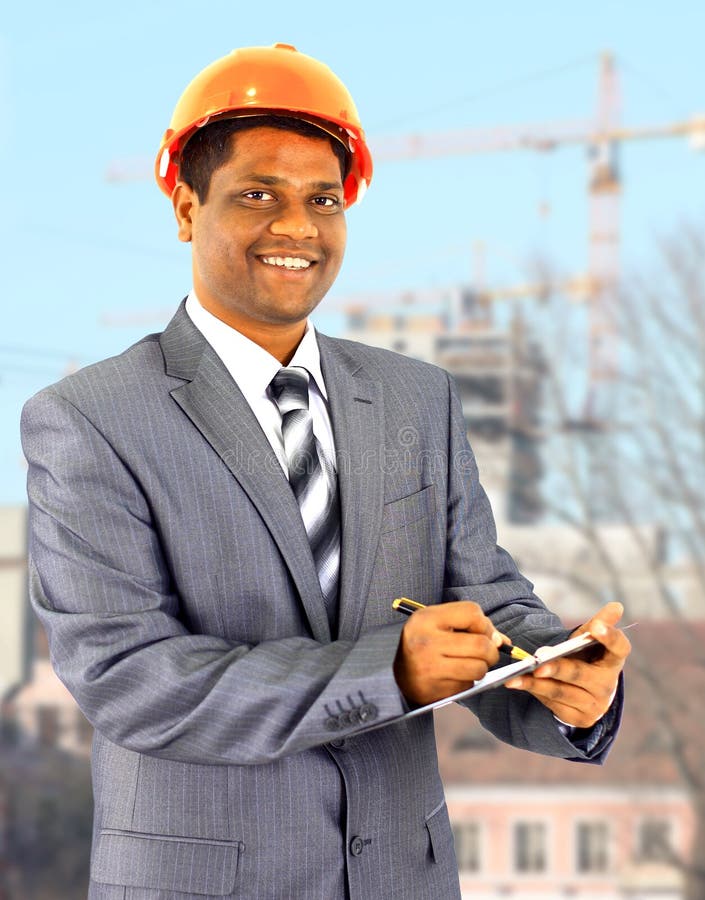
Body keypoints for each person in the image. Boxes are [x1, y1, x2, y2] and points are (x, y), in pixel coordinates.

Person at [21, 43, 631, 900]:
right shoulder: (90, 419)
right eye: (258, 195)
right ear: (186, 207)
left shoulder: (416, 398)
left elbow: (488, 604)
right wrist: (389, 672)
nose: (297, 227)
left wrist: (562, 680)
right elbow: (130, 681)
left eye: (323, 200)